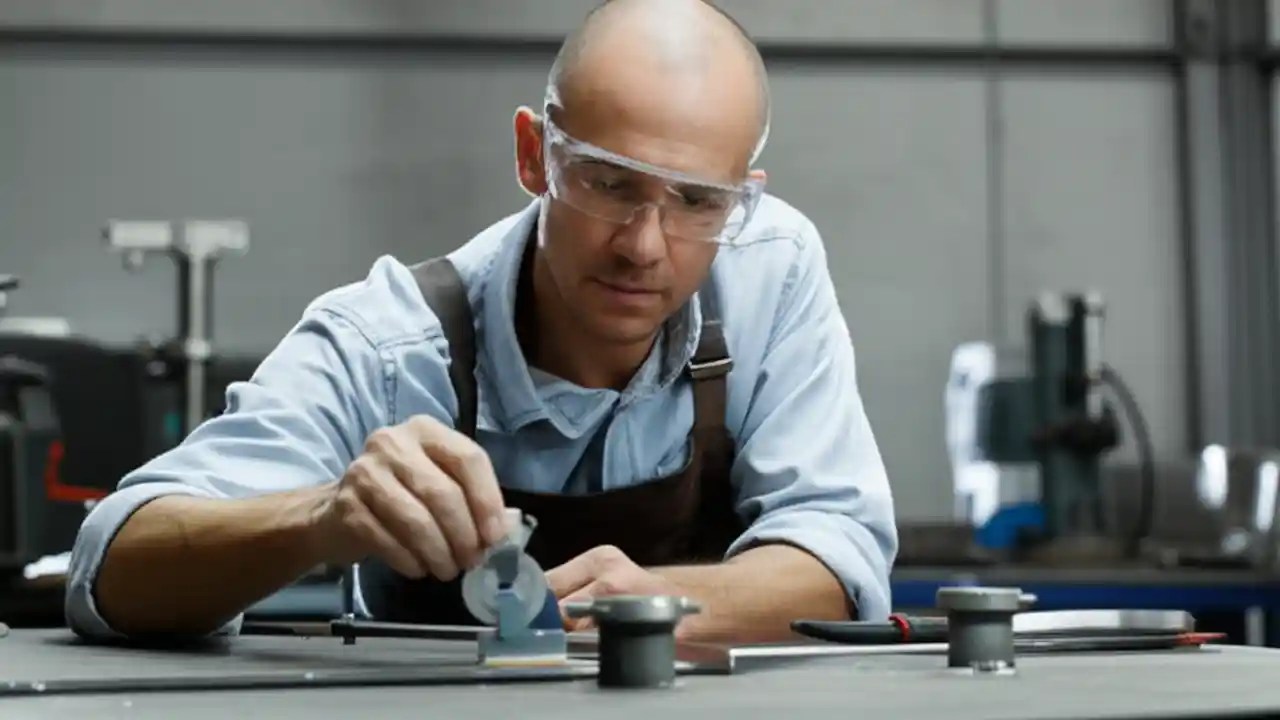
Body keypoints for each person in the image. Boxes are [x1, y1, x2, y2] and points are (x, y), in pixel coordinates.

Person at [66, 0, 897, 645]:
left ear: (740, 197)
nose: (645, 246)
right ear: (534, 156)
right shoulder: (388, 348)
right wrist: (322, 519)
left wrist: (659, 602)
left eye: (696, 200)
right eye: (608, 183)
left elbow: (840, 551)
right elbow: (111, 569)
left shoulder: (769, 272)